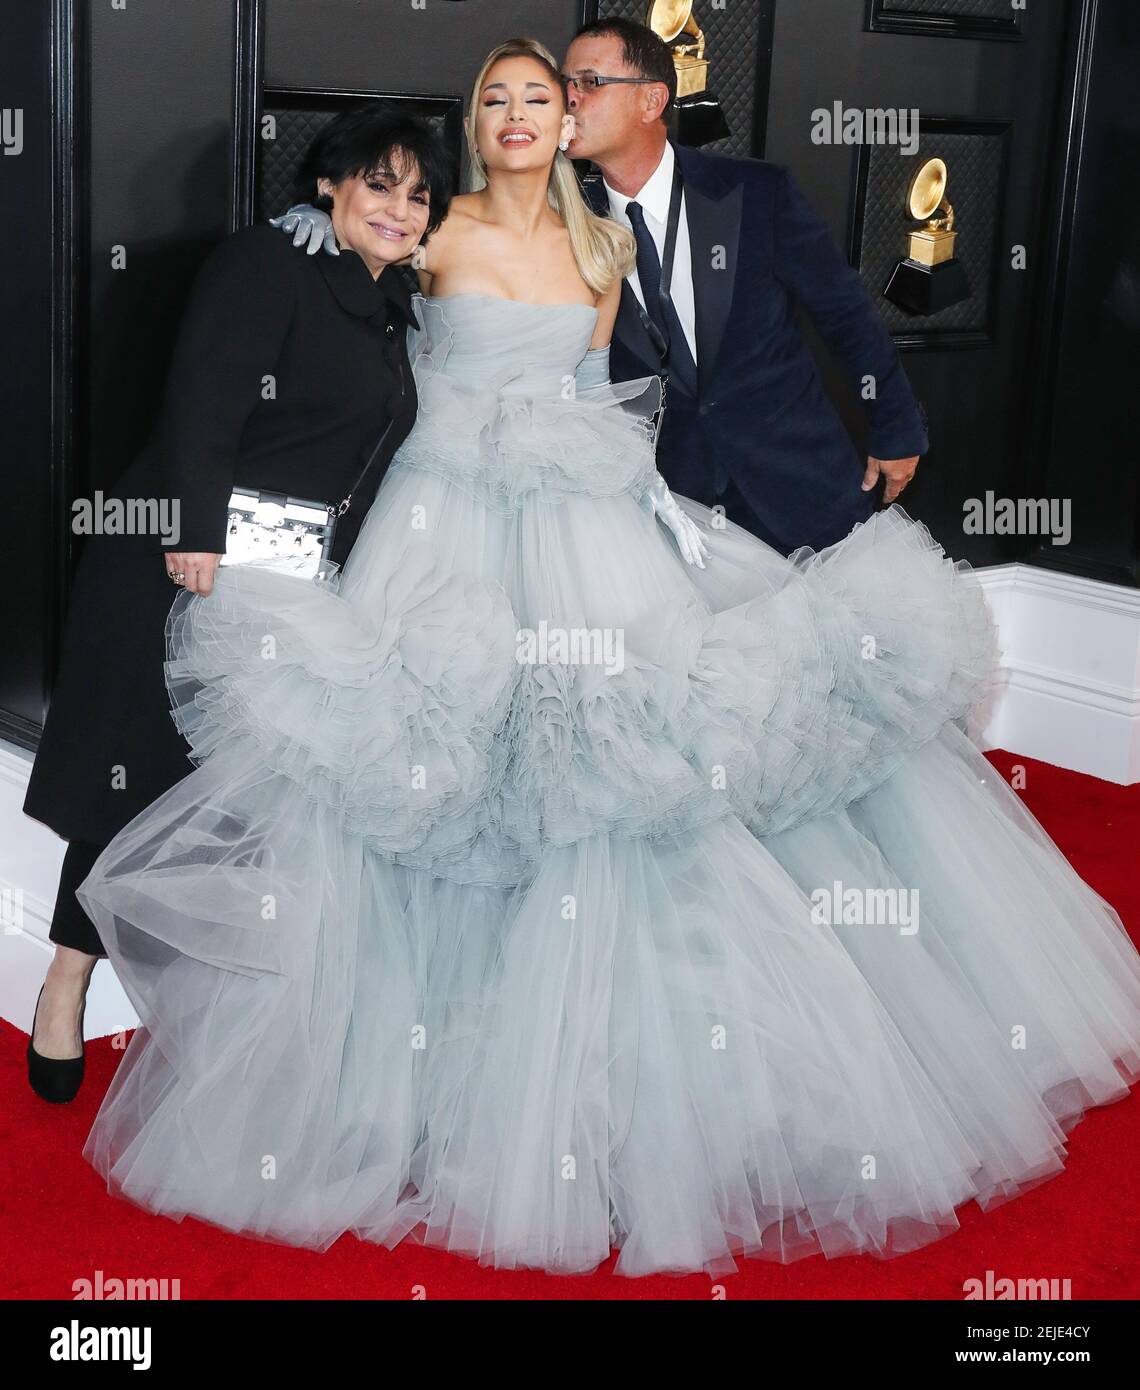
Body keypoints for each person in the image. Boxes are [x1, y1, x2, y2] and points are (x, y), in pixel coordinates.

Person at [74, 38, 1140, 1279]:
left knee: (617, 767)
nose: (524, 116)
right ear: (475, 123)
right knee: (442, 764)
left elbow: (608, 388)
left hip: (588, 525)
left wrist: (663, 519)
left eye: (544, 97)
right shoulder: (433, 228)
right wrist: (308, 227)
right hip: (443, 530)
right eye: (501, 99)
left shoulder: (601, 246)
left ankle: (632, 1084)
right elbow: (351, 277)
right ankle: (397, 1086)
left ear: (573, 119)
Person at [21, 104, 452, 1102]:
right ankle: (64, 982)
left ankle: (202, 1026)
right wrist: (195, 535)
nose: (397, 207)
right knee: (131, 788)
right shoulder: (270, 262)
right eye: (376, 184)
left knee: (224, 808)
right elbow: (203, 397)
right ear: (328, 186)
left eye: (417, 194)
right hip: (183, 567)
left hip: (288, 587)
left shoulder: (397, 305)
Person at [277, 19, 930, 557]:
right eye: (563, 86)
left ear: (651, 100)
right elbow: (398, 236)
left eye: (588, 83)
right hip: (672, 503)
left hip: (800, 481)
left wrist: (896, 426)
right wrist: (327, 215)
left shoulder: (756, 195)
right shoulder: (561, 219)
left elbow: (845, 313)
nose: (569, 99)